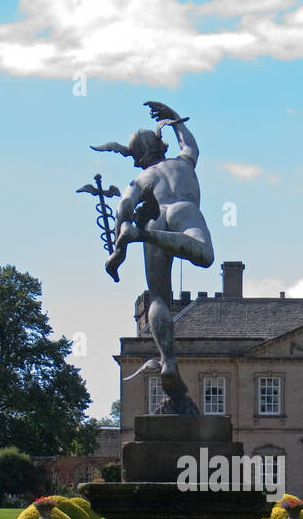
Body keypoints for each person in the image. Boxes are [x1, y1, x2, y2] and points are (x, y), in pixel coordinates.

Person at [91, 101, 214, 402]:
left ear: (137, 158)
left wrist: (119, 248)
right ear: (161, 145)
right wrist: (175, 119)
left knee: (159, 296)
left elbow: (123, 208)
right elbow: (191, 145)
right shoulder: (183, 163)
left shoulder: (139, 179)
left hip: (154, 216)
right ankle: (146, 234)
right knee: (205, 255)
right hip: (183, 209)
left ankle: (168, 361)